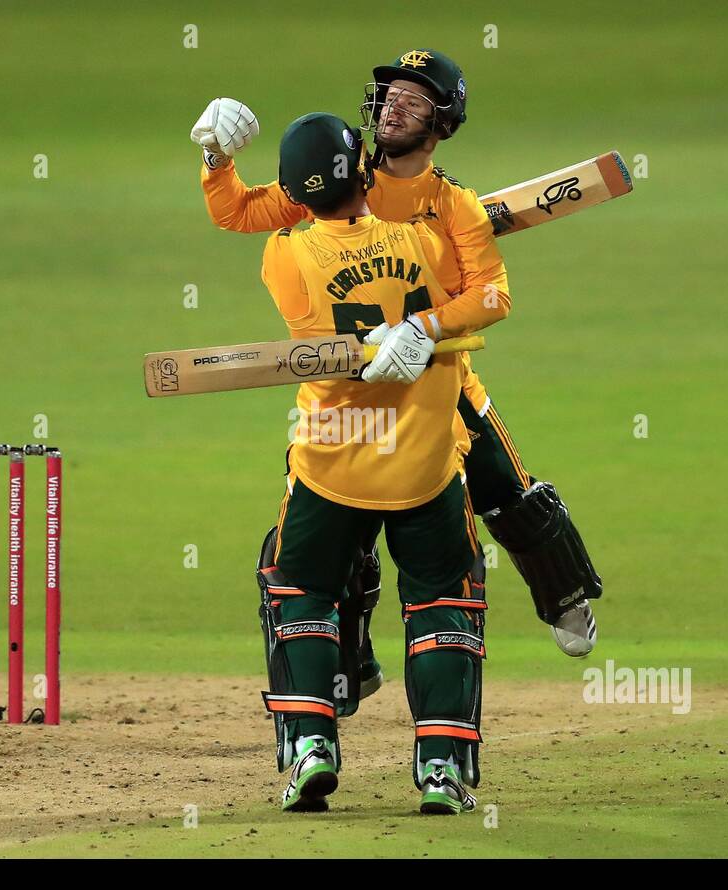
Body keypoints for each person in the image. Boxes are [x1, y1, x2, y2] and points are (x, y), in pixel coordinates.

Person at [191, 50, 601, 700]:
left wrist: (422, 329)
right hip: (348, 395)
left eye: (413, 97)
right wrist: (216, 156)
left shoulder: (454, 204)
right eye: (388, 94)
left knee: (510, 497)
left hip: (441, 384)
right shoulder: (338, 178)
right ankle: (349, 666)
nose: (394, 105)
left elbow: (493, 296)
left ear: (442, 119)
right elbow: (237, 213)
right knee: (335, 529)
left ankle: (565, 596)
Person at [257, 111, 497, 814]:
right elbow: (482, 299)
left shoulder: (284, 254)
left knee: (299, 586)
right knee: (443, 598)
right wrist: (426, 328)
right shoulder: (425, 240)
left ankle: (310, 746)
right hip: (423, 462)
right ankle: (442, 770)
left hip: (333, 463)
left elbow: (313, 339)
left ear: (296, 196)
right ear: (361, 167)